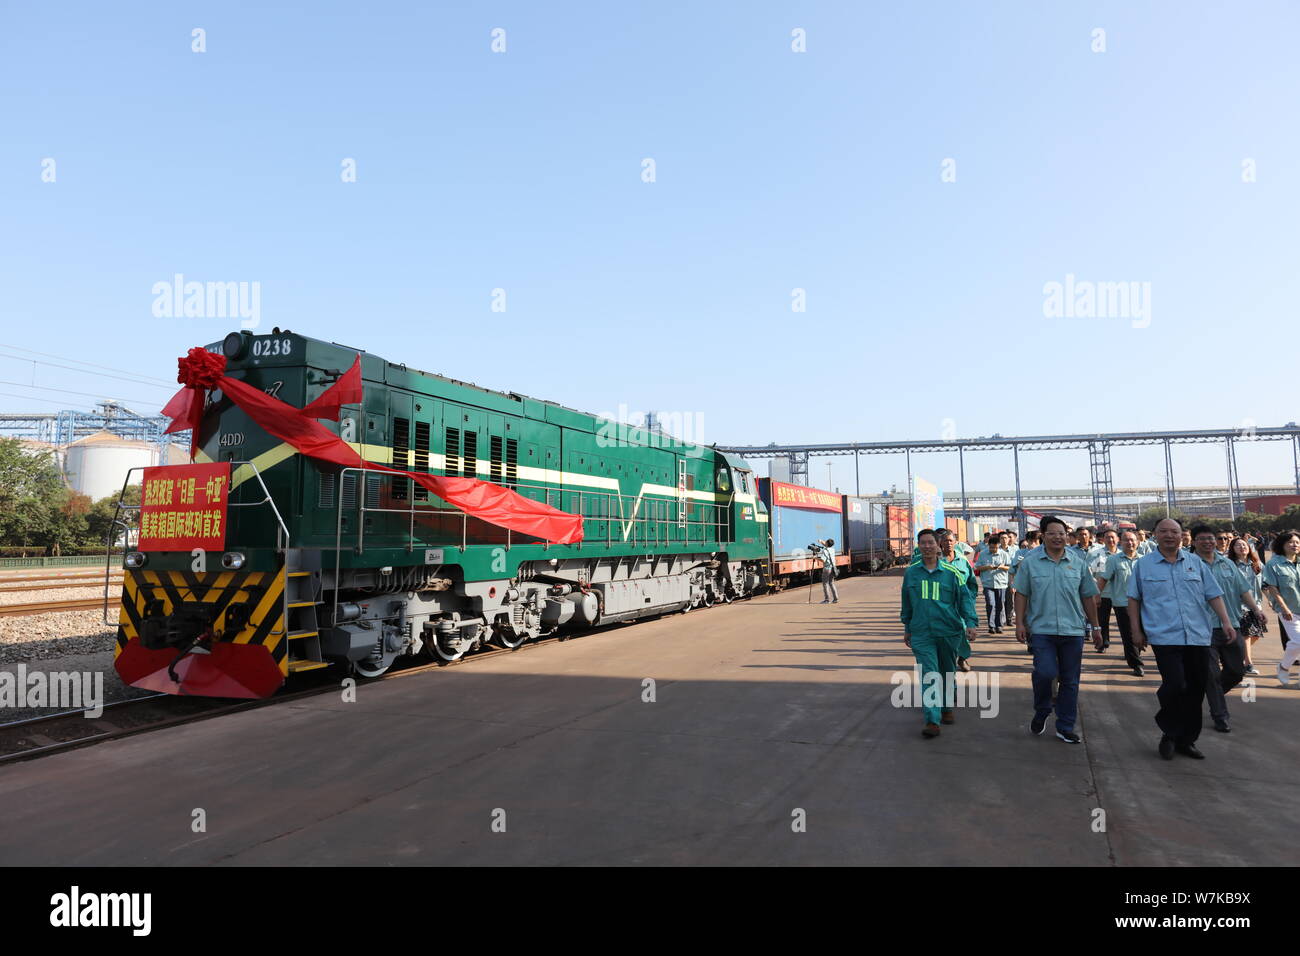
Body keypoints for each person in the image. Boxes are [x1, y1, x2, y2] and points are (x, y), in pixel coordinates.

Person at [1127, 517, 1239, 760]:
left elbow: (1214, 594)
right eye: (1164, 531)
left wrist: (1227, 622)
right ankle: (1169, 731)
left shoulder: (1195, 562)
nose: (1169, 535)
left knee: (1196, 688)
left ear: (1181, 535)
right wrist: (1136, 630)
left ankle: (1186, 740)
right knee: (1176, 684)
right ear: (1155, 534)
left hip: (1198, 635)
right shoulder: (1144, 565)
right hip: (1164, 635)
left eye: (1174, 532)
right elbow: (1134, 599)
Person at [1012, 514, 1102, 744]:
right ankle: (1042, 710)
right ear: (1043, 536)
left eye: (1061, 533)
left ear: (1066, 536)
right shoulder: (1031, 562)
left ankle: (1065, 726)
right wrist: (1020, 623)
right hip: (1042, 629)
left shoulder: (1077, 561)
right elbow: (1021, 593)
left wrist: (1096, 627)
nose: (1057, 537)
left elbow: (1088, 596)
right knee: (1046, 673)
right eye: (1052, 533)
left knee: (1070, 681)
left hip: (1073, 631)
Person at [900, 529, 978, 737]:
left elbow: (964, 600)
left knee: (946, 671)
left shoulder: (952, 573)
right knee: (929, 674)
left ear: (938, 545)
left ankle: (946, 707)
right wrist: (907, 627)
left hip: (949, 631)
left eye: (930, 543)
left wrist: (970, 623)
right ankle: (932, 720)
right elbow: (906, 603)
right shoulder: (911, 572)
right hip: (922, 632)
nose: (927, 546)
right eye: (922, 543)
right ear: (919, 546)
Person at [1189, 525, 1263, 733]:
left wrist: (1257, 611)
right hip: (1202, 628)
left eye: (1213, 538)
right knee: (1211, 674)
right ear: (1194, 542)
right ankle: (1220, 715)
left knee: (1236, 671)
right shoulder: (1188, 565)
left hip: (1231, 625)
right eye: (1202, 539)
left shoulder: (1227, 564)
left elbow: (1243, 590)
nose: (1209, 542)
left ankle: (1212, 695)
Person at [1097, 530, 1143, 676]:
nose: (1130, 543)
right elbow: (1103, 579)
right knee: (1128, 634)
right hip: (1122, 603)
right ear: (1120, 542)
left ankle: (1134, 653)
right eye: (1126, 540)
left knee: (1141, 632)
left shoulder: (1144, 560)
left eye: (1132, 540)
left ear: (1138, 542)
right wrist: (1097, 596)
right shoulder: (1113, 560)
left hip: (1143, 603)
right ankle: (1136, 664)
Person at [938, 530, 980, 672]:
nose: (948, 543)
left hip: (961, 605)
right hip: (942, 606)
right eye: (945, 541)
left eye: (951, 540)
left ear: (955, 542)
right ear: (940, 543)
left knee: (964, 632)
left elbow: (972, 583)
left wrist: (970, 599)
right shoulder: (937, 562)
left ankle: (962, 658)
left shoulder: (963, 561)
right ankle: (948, 661)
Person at [1265, 530, 1300, 681]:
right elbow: (1273, 588)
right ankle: (1284, 666)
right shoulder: (1274, 564)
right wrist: (1284, 608)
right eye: (1291, 542)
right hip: (1289, 609)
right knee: (1298, 640)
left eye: (1297, 542)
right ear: (1282, 544)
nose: (1295, 545)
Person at [1229, 536, 1266, 675]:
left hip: (1256, 605)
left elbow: (1265, 583)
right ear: (1233, 549)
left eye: (1244, 545)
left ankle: (1235, 652)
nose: (1242, 547)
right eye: (1238, 545)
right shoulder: (1230, 565)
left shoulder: (1257, 564)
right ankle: (1248, 664)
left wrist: (1269, 599)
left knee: (1255, 634)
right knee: (1247, 635)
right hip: (1239, 605)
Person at [974, 534, 1012, 634]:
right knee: (990, 604)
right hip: (988, 584)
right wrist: (987, 567)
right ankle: (991, 626)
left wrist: (1001, 567)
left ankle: (999, 625)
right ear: (988, 546)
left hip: (1001, 584)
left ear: (998, 546)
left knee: (1000, 605)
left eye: (995, 548)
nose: (993, 549)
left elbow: (1010, 567)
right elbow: (977, 567)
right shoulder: (983, 554)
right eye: (991, 547)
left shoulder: (1004, 554)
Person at [1091, 529, 1120, 652]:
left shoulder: (1123, 554)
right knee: (1103, 620)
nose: (1110, 540)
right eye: (1108, 537)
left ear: (1117, 539)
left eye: (1113, 537)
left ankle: (1131, 650)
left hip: (1120, 594)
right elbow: (1089, 572)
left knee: (1124, 623)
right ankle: (1103, 643)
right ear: (1103, 539)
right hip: (1103, 593)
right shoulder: (1097, 554)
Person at [810, 538, 839, 603]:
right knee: (831, 583)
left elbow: (823, 560)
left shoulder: (825, 551)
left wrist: (816, 558)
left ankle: (827, 600)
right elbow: (826, 546)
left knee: (825, 584)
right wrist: (821, 541)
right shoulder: (832, 549)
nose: (824, 542)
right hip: (833, 568)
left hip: (827, 569)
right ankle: (836, 598)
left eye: (825, 542)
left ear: (827, 544)